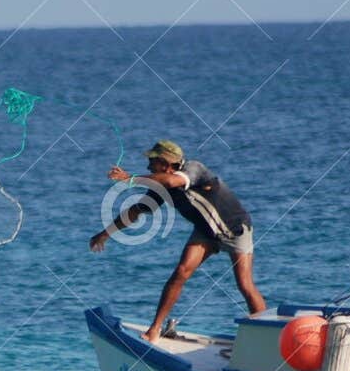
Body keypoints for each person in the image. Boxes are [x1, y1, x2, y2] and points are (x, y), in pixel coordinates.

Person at [89, 139, 266, 341]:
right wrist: (105, 234)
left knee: (244, 284)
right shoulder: (160, 186)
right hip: (205, 232)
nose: (148, 166)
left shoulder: (194, 168)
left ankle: (265, 336)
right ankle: (154, 329)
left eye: (153, 162)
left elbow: (173, 181)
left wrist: (130, 178)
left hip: (236, 229)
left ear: (166, 163)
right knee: (181, 272)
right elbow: (136, 211)